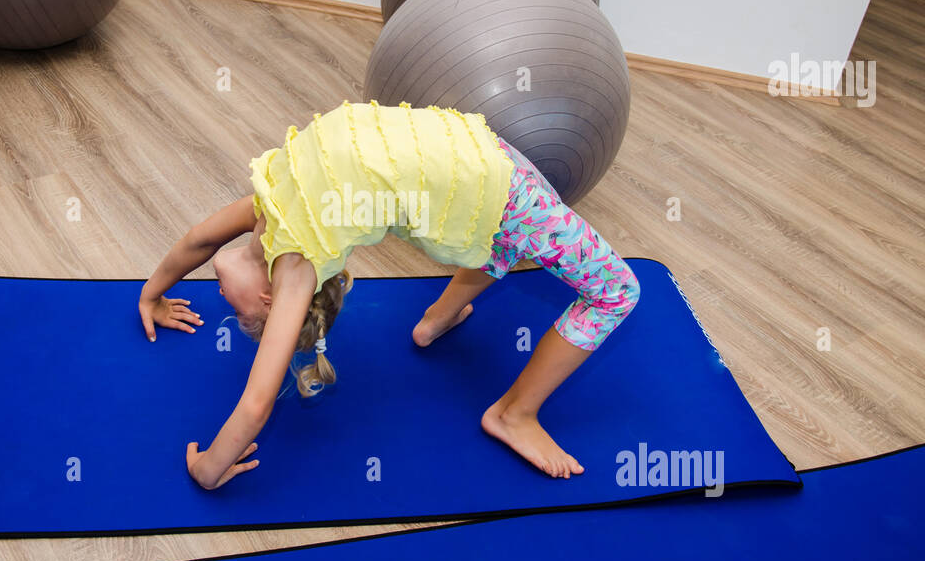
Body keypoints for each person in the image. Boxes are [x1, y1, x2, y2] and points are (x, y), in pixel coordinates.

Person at [138, 100, 639, 490]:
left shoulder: (284, 239)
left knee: (611, 289)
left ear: (269, 300)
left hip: (482, 167)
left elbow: (254, 398)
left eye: (236, 309)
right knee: (531, 239)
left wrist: (151, 296)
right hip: (477, 162)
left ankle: (513, 413)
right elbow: (204, 247)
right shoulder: (278, 212)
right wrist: (209, 465)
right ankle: (443, 327)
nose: (224, 299)